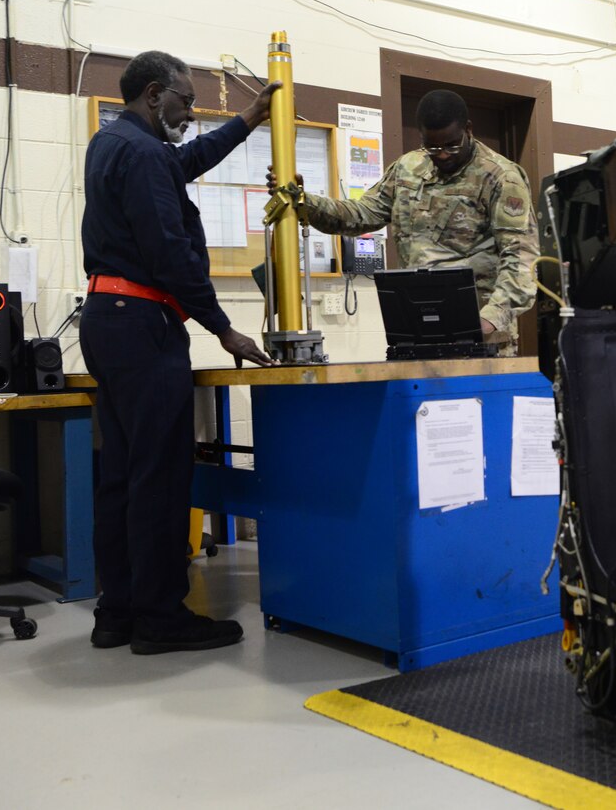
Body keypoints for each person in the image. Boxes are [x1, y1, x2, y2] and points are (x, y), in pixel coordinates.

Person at [80, 50, 277, 654]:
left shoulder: (114, 143)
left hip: (108, 321)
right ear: (152, 93)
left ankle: (117, 614)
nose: (191, 113)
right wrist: (223, 328)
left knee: (123, 475)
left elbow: (185, 162)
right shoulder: (142, 154)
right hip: (143, 325)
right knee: (161, 477)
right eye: (186, 101)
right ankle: (161, 619)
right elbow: (169, 251)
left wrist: (247, 120)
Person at [269, 89, 537, 353]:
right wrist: (305, 201)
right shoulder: (408, 168)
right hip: (416, 327)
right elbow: (361, 214)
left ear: (468, 129)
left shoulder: (501, 177)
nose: (443, 154)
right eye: (433, 147)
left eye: (452, 145)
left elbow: (522, 257)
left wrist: (490, 318)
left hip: (479, 334)